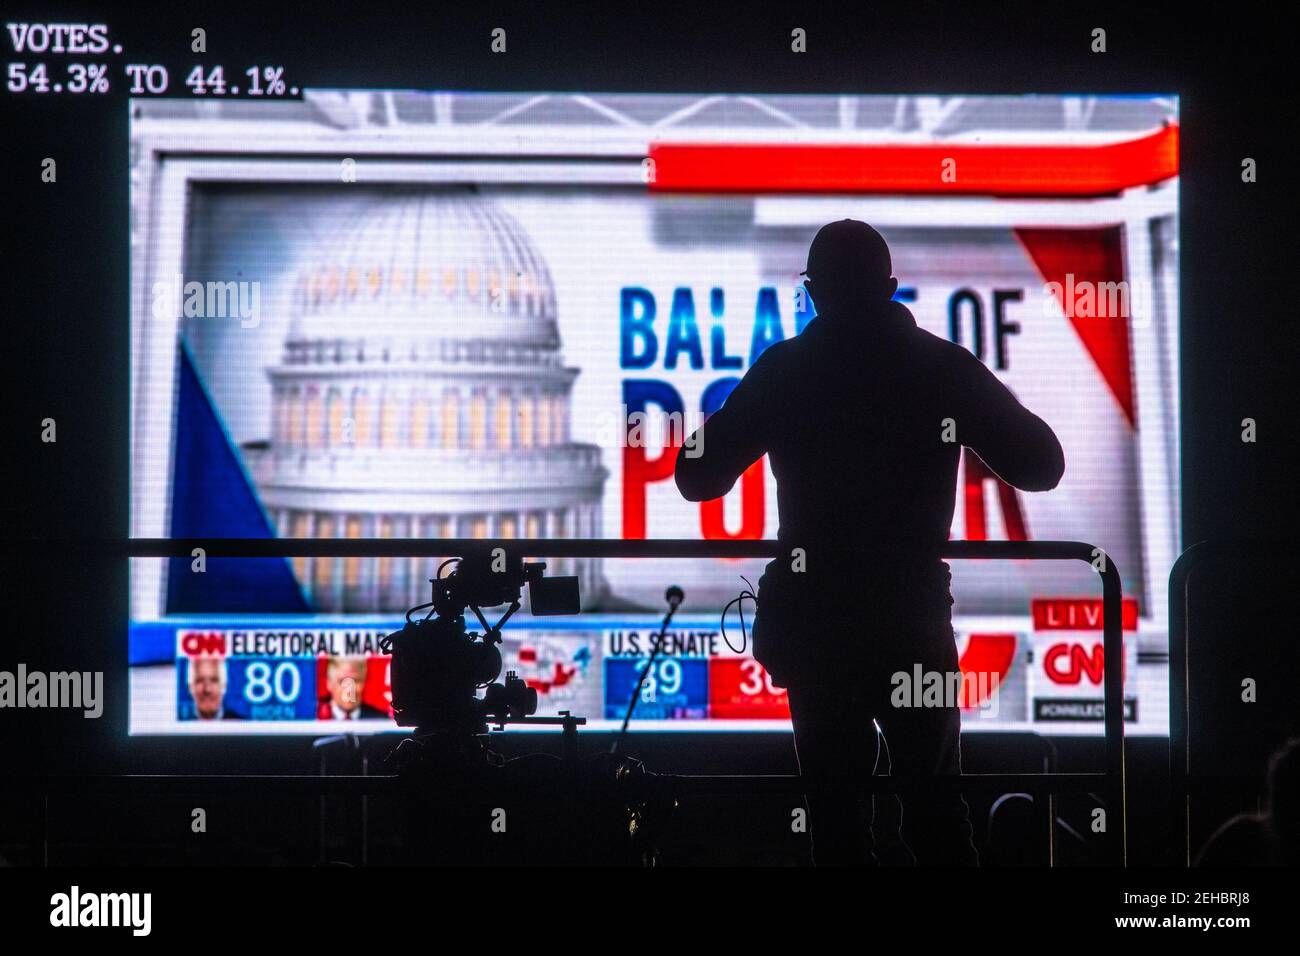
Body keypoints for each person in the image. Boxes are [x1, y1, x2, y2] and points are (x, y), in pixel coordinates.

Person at [675, 220, 1064, 865]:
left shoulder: (786, 372)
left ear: (813, 293)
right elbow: (1042, 465)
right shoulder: (941, 369)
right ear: (889, 287)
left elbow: (697, 477)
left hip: (817, 624)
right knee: (939, 816)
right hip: (910, 620)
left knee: (836, 825)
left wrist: (738, 417)